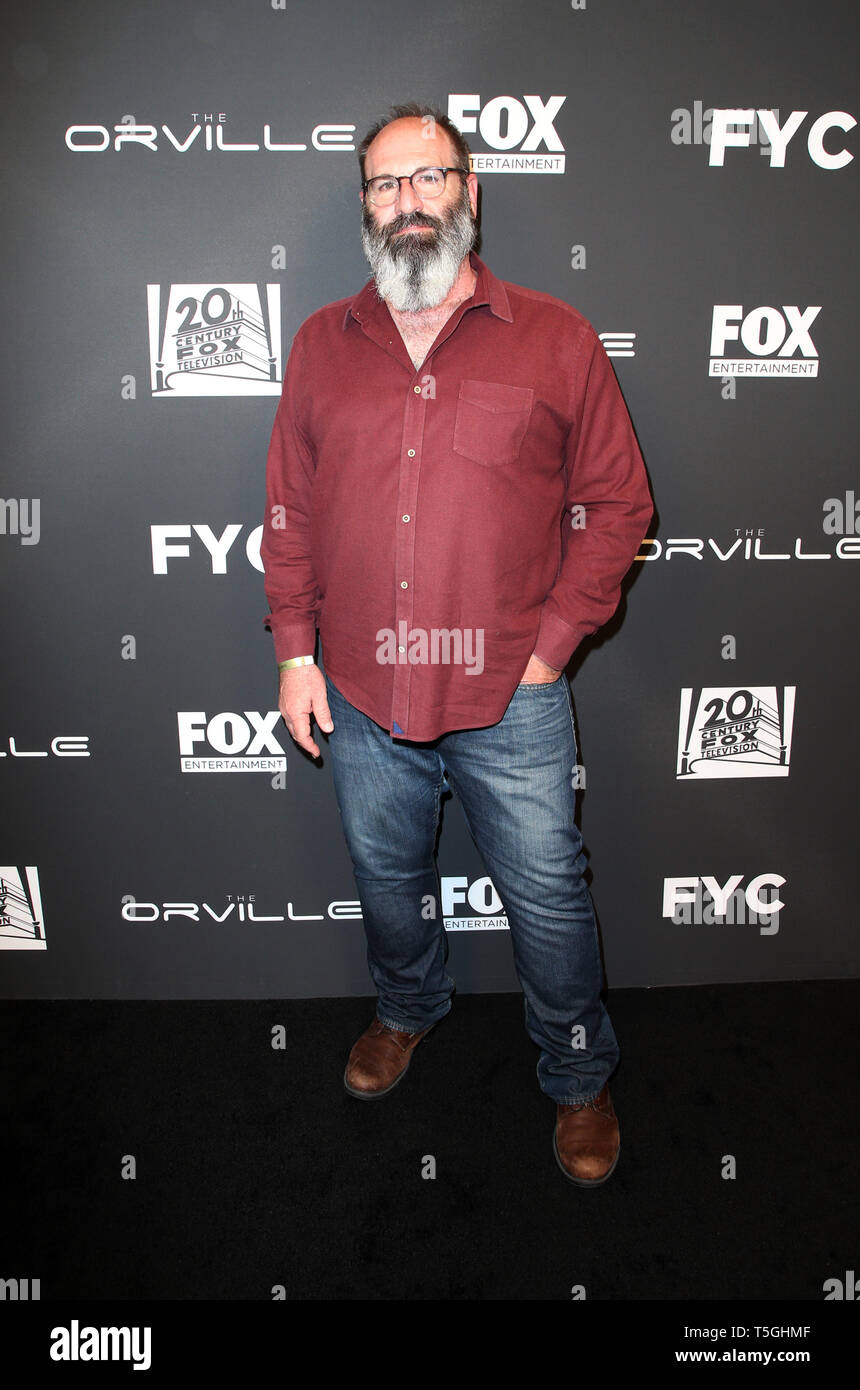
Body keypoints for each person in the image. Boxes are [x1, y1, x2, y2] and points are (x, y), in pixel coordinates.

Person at [261, 102, 653, 1186]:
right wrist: (296, 650)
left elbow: (618, 505)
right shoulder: (319, 344)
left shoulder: (556, 337)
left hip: (510, 693)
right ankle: (406, 1009)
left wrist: (551, 645)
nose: (408, 203)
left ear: (470, 192)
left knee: (546, 894)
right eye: (386, 186)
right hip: (360, 685)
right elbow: (289, 506)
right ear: (365, 209)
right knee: (388, 879)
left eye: (428, 178)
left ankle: (577, 1073)